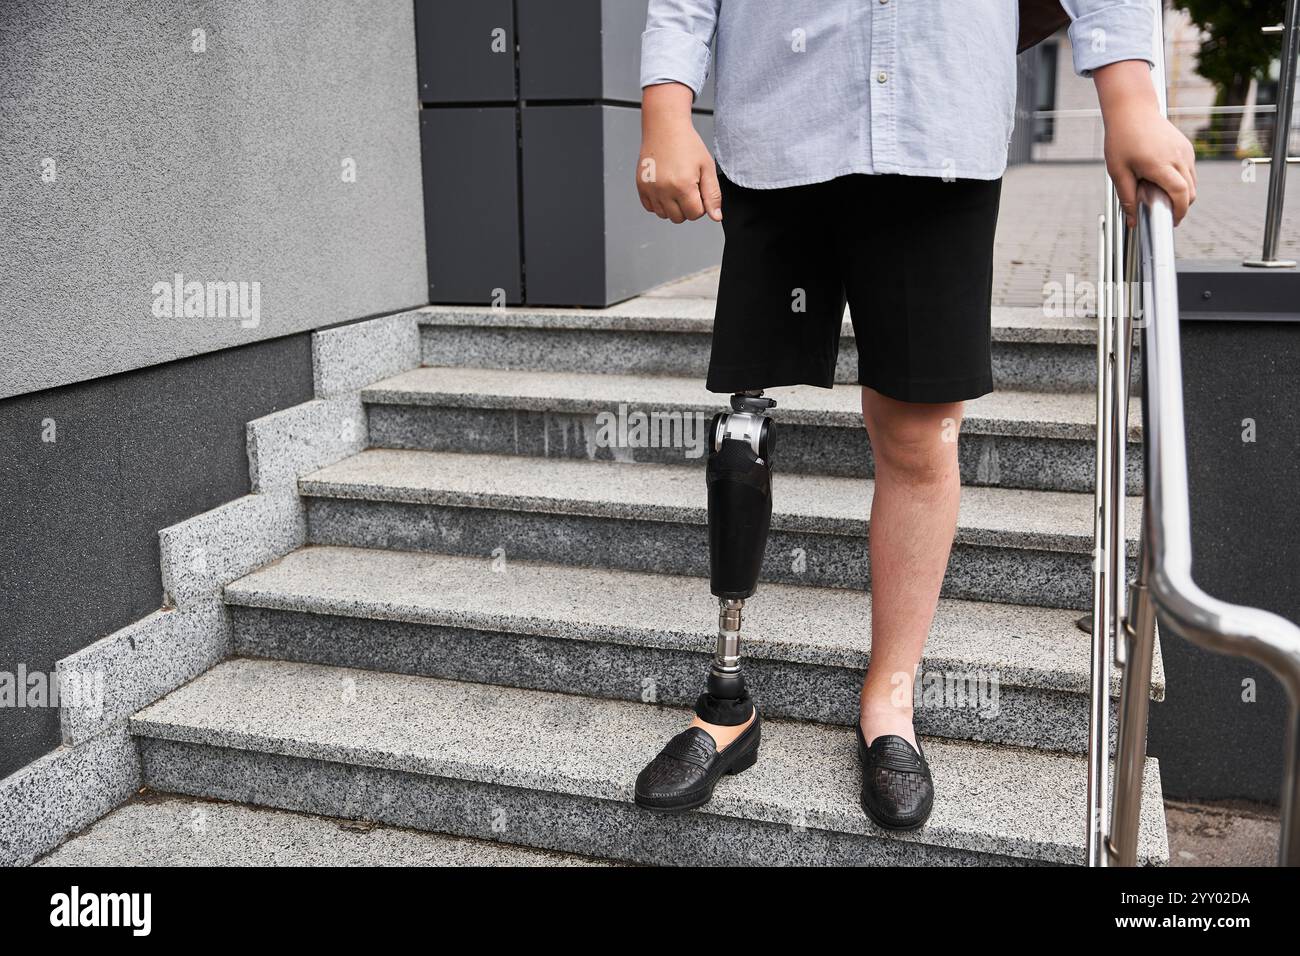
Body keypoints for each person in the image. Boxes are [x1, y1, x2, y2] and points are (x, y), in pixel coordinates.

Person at [631, 0, 1196, 830]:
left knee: (918, 433)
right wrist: (664, 108)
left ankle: (889, 703)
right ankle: (727, 700)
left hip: (939, 125)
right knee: (744, 427)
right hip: (782, 118)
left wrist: (1131, 98)